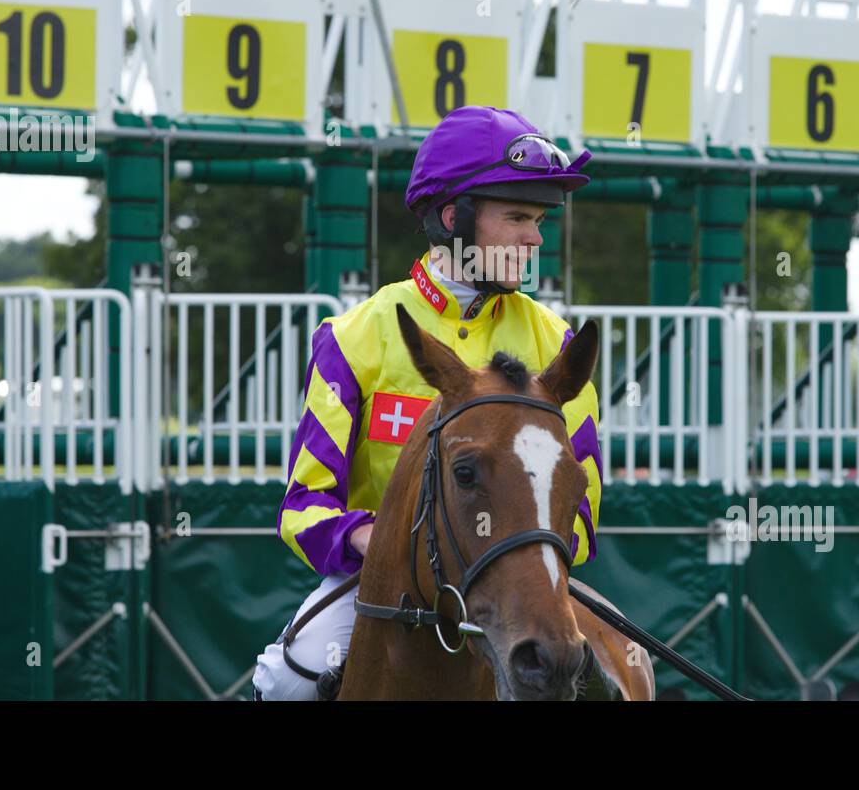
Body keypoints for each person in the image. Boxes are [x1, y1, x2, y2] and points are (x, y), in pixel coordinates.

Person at [252, 105, 604, 700]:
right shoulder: (352, 336)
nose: (535, 238)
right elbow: (303, 506)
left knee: (616, 675)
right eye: (517, 216)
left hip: (522, 588)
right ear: (454, 216)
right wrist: (370, 541)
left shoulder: (558, 345)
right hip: (383, 587)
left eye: (540, 220)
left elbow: (584, 507)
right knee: (287, 678)